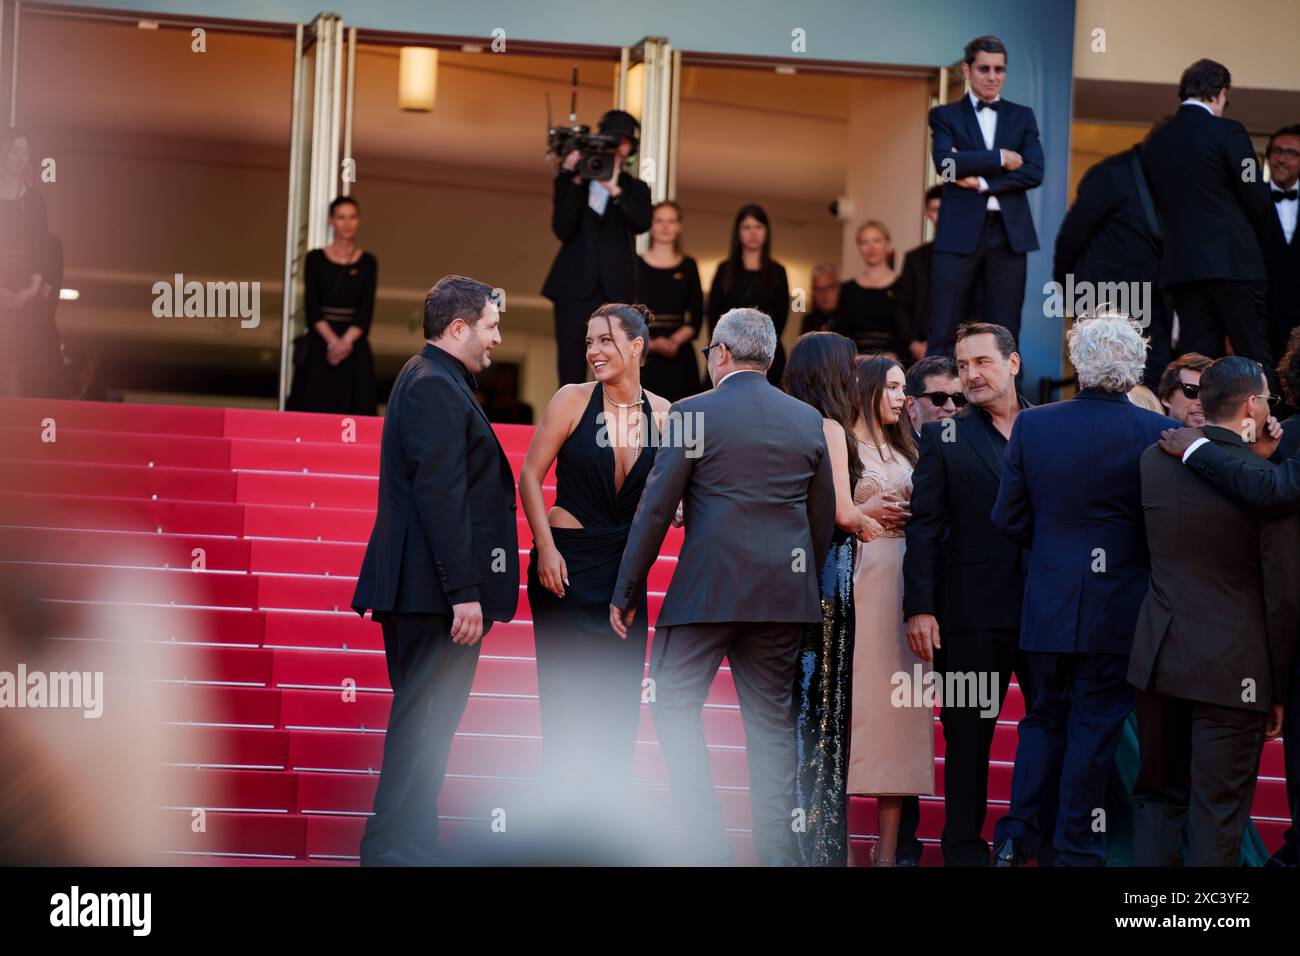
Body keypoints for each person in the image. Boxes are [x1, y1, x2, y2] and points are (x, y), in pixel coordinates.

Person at [608, 307, 835, 866]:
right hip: (784, 599)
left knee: (674, 707)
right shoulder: (808, 421)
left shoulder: (689, 412)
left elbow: (655, 509)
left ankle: (707, 844)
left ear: (723, 354)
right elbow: (822, 519)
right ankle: (776, 857)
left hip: (706, 593)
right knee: (771, 730)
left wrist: (627, 590)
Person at [990, 312, 1176, 866]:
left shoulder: (1035, 425)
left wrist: (1052, 546)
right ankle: (1074, 848)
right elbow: (1160, 528)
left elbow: (1007, 518)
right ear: (1135, 367)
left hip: (1047, 604)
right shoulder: (1155, 433)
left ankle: (1017, 836)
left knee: (1043, 719)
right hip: (1117, 611)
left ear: (1081, 364)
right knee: (1094, 729)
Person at [350, 275, 519, 866]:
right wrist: (464, 591)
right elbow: (440, 493)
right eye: (491, 326)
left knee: (427, 728)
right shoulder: (433, 386)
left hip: (427, 590)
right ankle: (395, 849)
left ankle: (409, 844)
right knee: (423, 728)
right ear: (458, 327)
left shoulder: (436, 380)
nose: (497, 339)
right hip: (432, 594)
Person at [1129, 356, 1297, 866]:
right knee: (1217, 812)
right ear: (1251, 404)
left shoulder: (1152, 460)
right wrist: (1279, 685)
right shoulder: (1268, 480)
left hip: (1160, 658)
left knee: (1159, 799)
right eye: (1266, 398)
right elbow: (1283, 596)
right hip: (1235, 670)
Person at [517, 303, 669, 815]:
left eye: (605, 340)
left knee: (618, 704)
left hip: (624, 578)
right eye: (588, 342)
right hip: (565, 569)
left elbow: (671, 503)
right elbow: (529, 477)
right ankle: (556, 819)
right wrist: (545, 548)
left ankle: (605, 822)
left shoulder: (667, 414)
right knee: (565, 702)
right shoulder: (571, 400)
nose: (594, 352)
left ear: (636, 346)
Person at [904, 323, 1038, 866]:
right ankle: (962, 848)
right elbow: (924, 526)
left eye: (981, 362)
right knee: (967, 741)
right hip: (968, 613)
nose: (970, 375)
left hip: (1043, 611)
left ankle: (1033, 836)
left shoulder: (1047, 426)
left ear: (1013, 363)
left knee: (1048, 728)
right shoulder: (945, 435)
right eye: (962, 366)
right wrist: (920, 606)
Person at [782, 332, 882, 866]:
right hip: (826, 583)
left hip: (786, 582)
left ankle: (793, 842)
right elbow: (845, 514)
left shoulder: (782, 420)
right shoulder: (830, 427)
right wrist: (875, 522)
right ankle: (817, 849)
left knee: (792, 713)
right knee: (822, 715)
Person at [847, 354, 933, 867]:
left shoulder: (910, 448)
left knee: (901, 715)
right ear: (867, 388)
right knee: (852, 707)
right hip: (857, 581)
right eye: (896, 388)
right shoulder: (838, 441)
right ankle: (834, 840)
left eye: (905, 389)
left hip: (907, 584)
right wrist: (860, 513)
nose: (905, 398)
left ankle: (886, 851)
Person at [1141, 59, 1276, 378]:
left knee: (1198, 361)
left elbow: (1159, 201)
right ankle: (1267, 427)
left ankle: (1200, 426)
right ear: (1220, 93)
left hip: (1183, 267)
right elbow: (1254, 189)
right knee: (1253, 355)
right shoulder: (1229, 131)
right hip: (1234, 263)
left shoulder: (1156, 141)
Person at [927, 36, 1043, 356]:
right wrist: (1000, 157)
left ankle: (1009, 405)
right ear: (967, 70)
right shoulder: (945, 115)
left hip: (1009, 232)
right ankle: (930, 400)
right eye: (984, 68)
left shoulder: (1023, 116)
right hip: (959, 230)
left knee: (1006, 330)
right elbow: (946, 165)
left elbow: (1035, 171)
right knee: (944, 325)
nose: (993, 76)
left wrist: (981, 182)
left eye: (1000, 69)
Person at [542, 110, 653, 387]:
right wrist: (573, 177)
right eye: (611, 140)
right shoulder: (572, 181)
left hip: (616, 290)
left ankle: (609, 421)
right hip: (573, 288)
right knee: (569, 363)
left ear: (631, 148)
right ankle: (569, 422)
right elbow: (562, 229)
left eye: (623, 142)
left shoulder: (635, 188)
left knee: (614, 362)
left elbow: (642, 222)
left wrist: (615, 190)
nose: (615, 147)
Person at [1054, 143, 1168, 388]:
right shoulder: (1111, 173)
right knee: (1095, 373)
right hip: (1103, 295)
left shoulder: (1172, 182)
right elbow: (1072, 235)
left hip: (1154, 299)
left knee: (1151, 375)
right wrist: (1067, 288)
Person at [286, 196, 379, 415]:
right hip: (321, 344)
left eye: (352, 217)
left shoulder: (368, 262)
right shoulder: (315, 259)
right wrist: (333, 343)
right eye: (341, 217)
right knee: (312, 409)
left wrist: (345, 342)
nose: (347, 223)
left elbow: (366, 310)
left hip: (354, 346)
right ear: (331, 221)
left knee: (356, 412)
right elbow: (312, 307)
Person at [705, 204, 791, 387]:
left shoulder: (778, 272)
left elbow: (781, 319)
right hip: (727, 353)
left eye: (758, 227)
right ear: (738, 232)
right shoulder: (724, 270)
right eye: (747, 227)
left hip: (768, 354)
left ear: (766, 231)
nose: (753, 233)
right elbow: (713, 316)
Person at [636, 202, 704, 401]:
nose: (665, 227)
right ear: (651, 225)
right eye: (659, 221)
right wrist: (651, 343)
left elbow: (696, 316)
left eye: (671, 221)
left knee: (684, 421)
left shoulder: (689, 266)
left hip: (680, 354)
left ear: (679, 226)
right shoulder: (636, 264)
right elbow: (627, 314)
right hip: (643, 352)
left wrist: (673, 342)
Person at [0, 128, 49, 397]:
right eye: (15, 150)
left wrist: (31, 289)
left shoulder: (34, 200)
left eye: (26, 152)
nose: (21, 157)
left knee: (15, 365)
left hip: (24, 291)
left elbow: (40, 246)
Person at [831, 220, 909, 358]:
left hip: (895, 364)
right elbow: (841, 332)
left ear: (887, 244)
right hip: (854, 363)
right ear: (859, 247)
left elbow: (908, 331)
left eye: (876, 241)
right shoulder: (848, 289)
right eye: (864, 242)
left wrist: (893, 355)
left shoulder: (903, 285)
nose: (871, 247)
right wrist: (854, 357)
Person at [1264, 125, 1300, 365]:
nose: (1282, 159)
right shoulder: (1250, 199)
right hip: (1262, 321)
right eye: (1277, 151)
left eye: (1291, 153)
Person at [896, 185, 943, 362]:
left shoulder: (972, 258)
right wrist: (913, 343)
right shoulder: (914, 258)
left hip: (959, 349)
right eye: (936, 209)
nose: (942, 215)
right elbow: (902, 306)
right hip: (918, 350)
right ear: (927, 213)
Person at [903, 354, 963, 439]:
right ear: (911, 406)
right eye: (939, 397)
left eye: (958, 398)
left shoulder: (973, 446)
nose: (951, 407)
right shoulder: (893, 451)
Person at [1154, 352, 1211, 426]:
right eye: (1191, 390)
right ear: (1166, 398)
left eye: (1210, 394)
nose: (1201, 401)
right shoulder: (1147, 435)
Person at [802, 263, 840, 336]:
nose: (823, 294)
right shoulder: (809, 321)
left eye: (829, 287)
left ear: (839, 287)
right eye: (818, 289)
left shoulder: (851, 318)